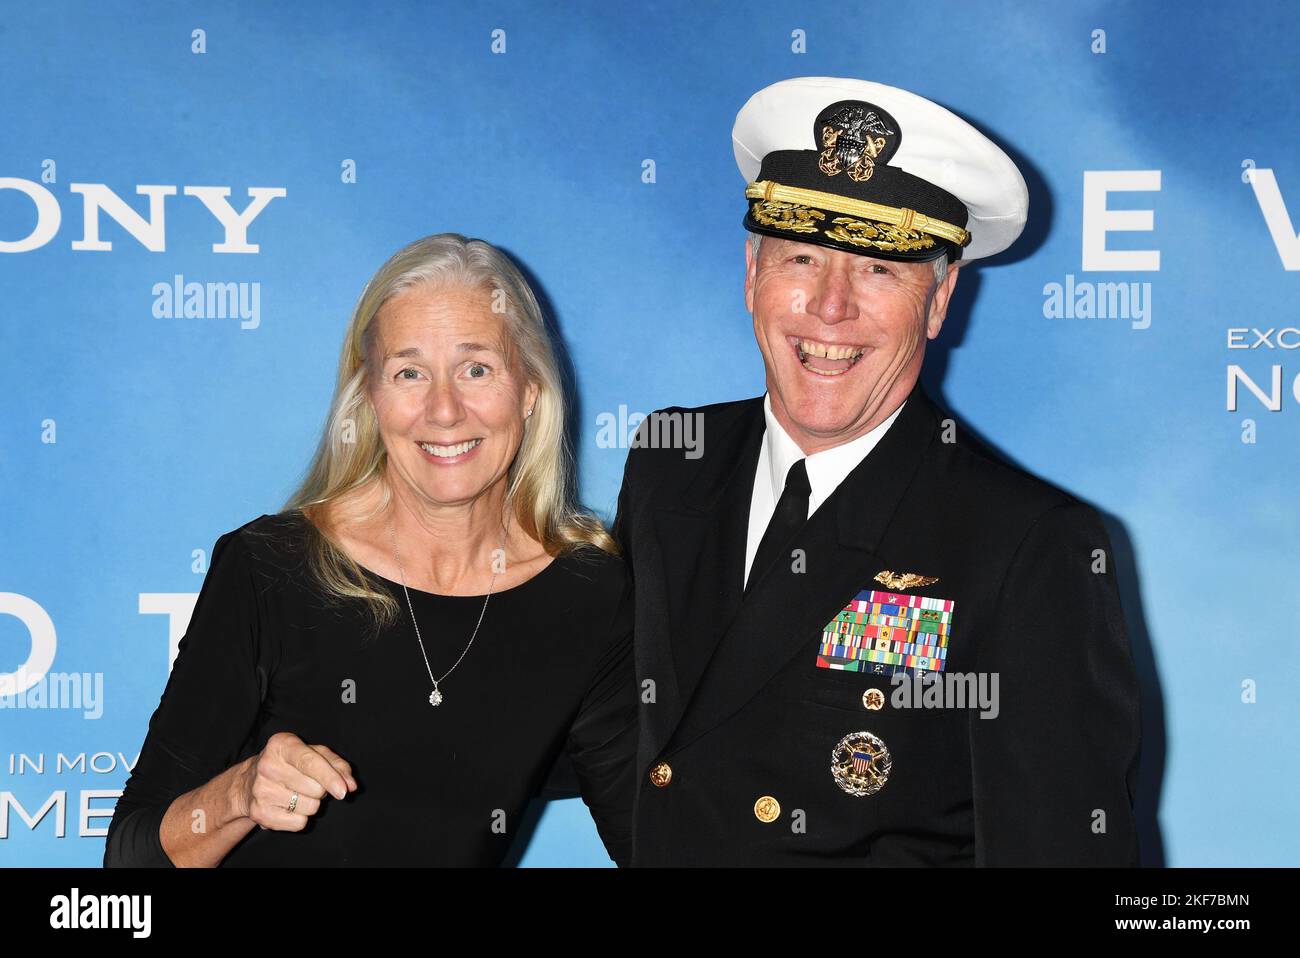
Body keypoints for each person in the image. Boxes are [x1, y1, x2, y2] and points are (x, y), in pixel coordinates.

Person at [615, 77, 1141, 866]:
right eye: (801, 257)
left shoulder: (1028, 547)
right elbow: (593, 714)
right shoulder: (672, 460)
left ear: (939, 299)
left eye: (878, 270)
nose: (830, 308)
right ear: (751, 272)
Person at [104, 234, 636, 867]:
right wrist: (240, 793)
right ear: (368, 398)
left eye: (476, 368)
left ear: (529, 389)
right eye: (409, 372)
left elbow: (653, 831)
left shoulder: (587, 594)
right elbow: (130, 858)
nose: (444, 409)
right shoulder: (270, 568)